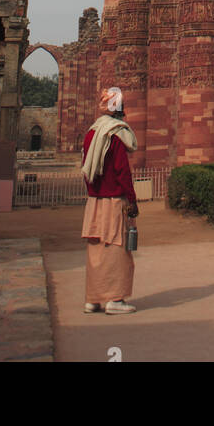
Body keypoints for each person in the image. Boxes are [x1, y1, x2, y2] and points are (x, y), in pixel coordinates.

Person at [81, 86, 139, 315]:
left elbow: (86, 167)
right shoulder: (115, 134)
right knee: (117, 249)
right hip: (114, 199)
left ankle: (93, 299)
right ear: (118, 108)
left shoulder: (92, 133)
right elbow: (121, 170)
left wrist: (94, 192)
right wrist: (132, 200)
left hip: (94, 201)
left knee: (95, 249)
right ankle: (115, 299)